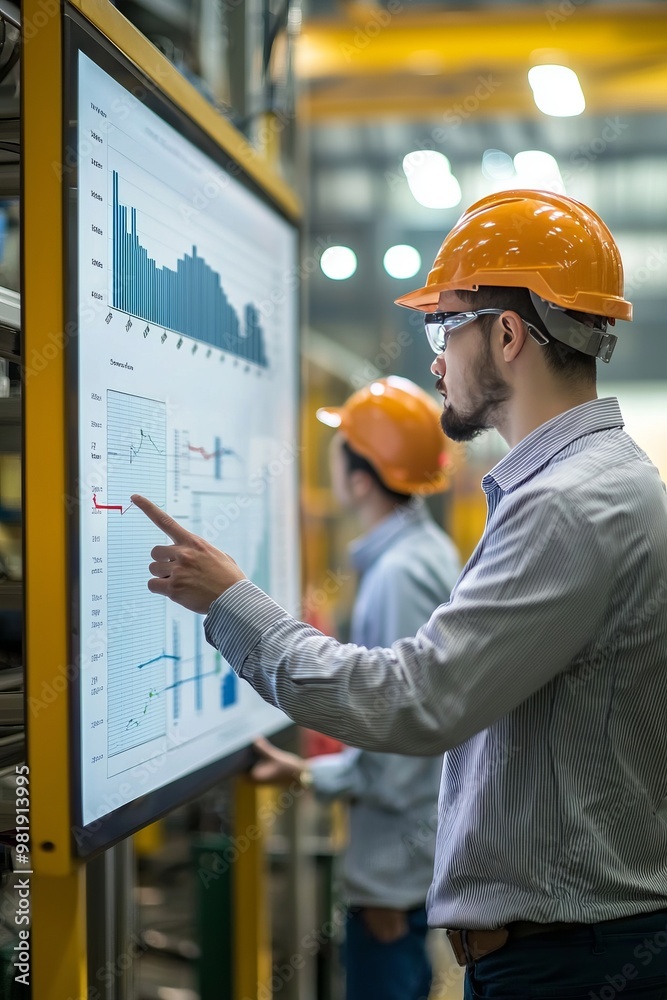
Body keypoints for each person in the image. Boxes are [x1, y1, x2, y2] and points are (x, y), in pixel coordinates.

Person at [133, 189, 667, 999]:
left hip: (572, 960)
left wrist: (231, 602)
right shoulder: (589, 487)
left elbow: (415, 701)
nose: (434, 360)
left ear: (508, 334)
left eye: (441, 327)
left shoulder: (568, 506)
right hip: (578, 947)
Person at [249, 377, 461, 1000]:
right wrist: (312, 774)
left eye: (341, 449)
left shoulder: (397, 576)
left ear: (363, 478)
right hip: (409, 857)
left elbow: (397, 732)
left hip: (392, 875)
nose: (332, 464)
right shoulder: (424, 551)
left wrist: (322, 777)